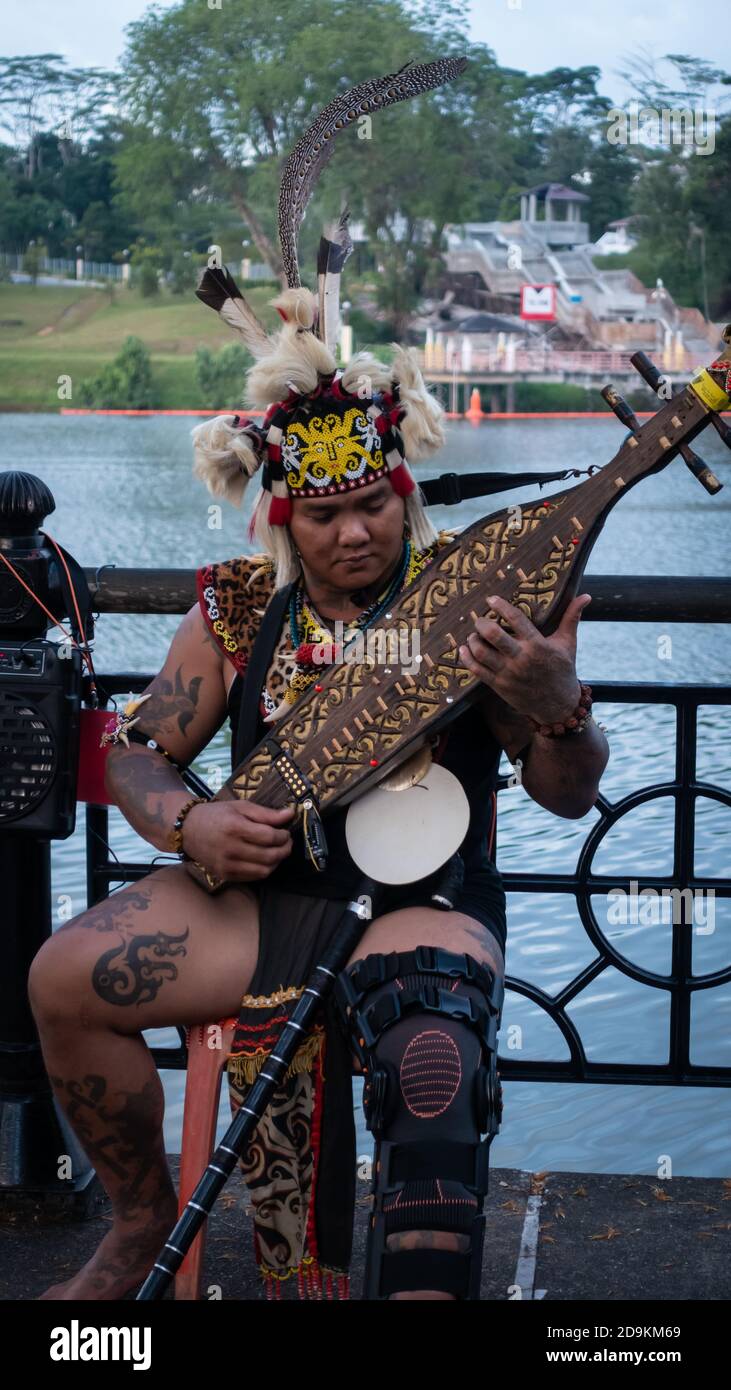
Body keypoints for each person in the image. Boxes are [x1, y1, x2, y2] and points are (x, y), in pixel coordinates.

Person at [27, 59, 609, 1300]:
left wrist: (556, 699)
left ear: (406, 490)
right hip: (252, 901)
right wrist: (187, 819)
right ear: (284, 515)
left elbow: (564, 792)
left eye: (374, 508)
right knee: (60, 978)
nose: (353, 537)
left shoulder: (476, 594)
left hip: (419, 902)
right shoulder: (240, 603)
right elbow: (133, 749)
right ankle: (138, 1224)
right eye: (327, 515)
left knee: (433, 1060)